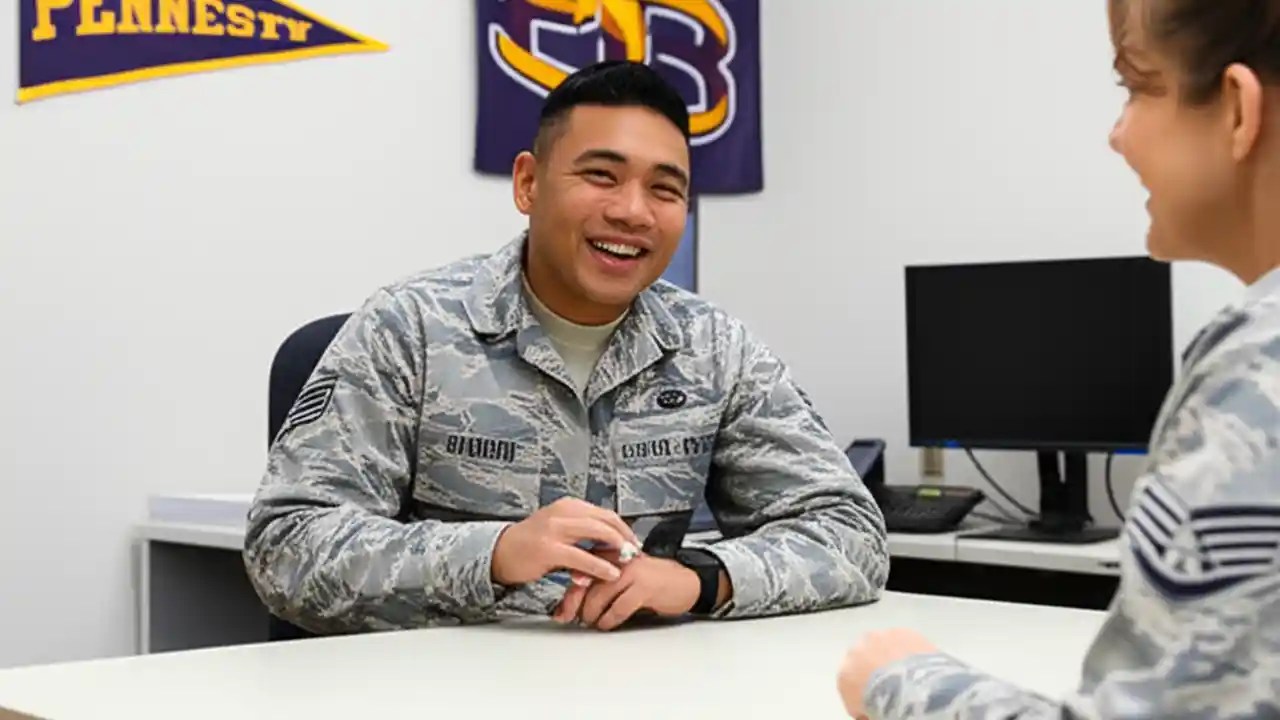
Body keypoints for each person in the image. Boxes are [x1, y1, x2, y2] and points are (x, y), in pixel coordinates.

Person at [243, 60, 889, 636]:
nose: (634, 212)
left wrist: (699, 577)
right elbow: (288, 548)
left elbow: (849, 534)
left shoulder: (714, 349)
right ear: (528, 183)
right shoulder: (408, 329)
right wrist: (493, 554)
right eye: (601, 176)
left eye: (665, 189)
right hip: (437, 692)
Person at [837, 1, 1280, 717]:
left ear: (1236, 108)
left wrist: (903, 681)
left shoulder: (1258, 374)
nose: (1117, 135)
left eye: (1137, 88)